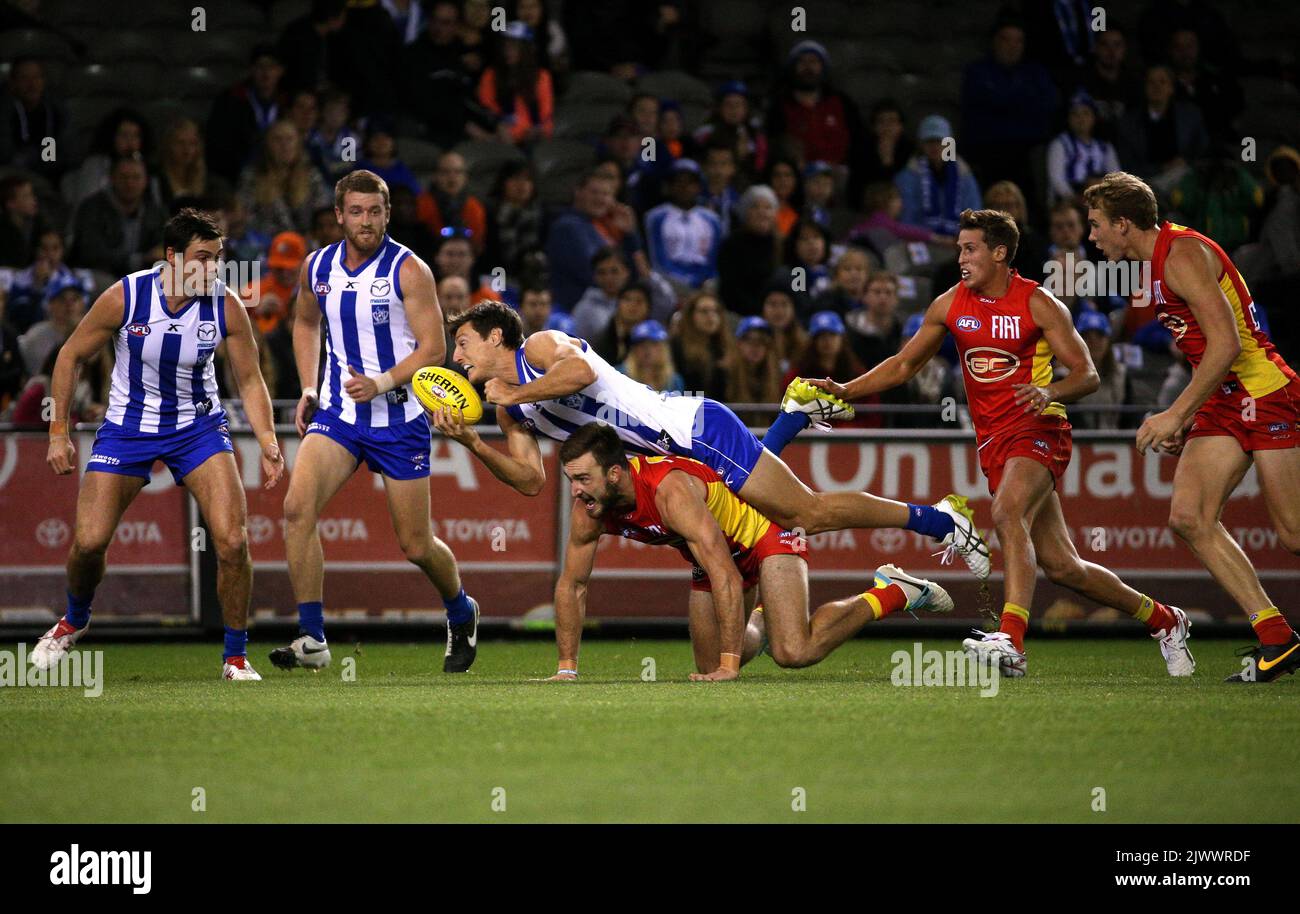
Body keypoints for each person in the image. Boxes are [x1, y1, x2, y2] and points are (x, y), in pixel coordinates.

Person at [809, 207, 1194, 678]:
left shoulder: (1039, 303)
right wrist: (848, 390)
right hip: (994, 442)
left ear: (999, 252)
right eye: (958, 249)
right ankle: (1166, 620)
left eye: (970, 249)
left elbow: (1088, 373)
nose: (961, 258)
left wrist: (1050, 391)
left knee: (1007, 513)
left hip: (1039, 428)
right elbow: (904, 365)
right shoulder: (950, 303)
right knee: (1063, 567)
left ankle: (1010, 641)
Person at [431, 300, 989, 577]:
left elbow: (580, 375)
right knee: (764, 520)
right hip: (673, 457)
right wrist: (474, 444)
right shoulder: (512, 416)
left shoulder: (538, 350)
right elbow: (531, 481)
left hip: (694, 429)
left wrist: (513, 397)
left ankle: (942, 520)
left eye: (463, 345)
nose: (457, 359)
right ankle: (793, 415)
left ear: (497, 337)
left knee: (806, 514)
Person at [33, 209, 285, 680]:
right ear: (172, 258)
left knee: (232, 541)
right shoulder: (125, 296)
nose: (214, 268)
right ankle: (75, 618)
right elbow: (70, 356)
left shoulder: (225, 304)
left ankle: (235, 657)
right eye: (203, 258)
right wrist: (58, 432)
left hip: (199, 428)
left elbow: (249, 379)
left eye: (218, 258)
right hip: (128, 429)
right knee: (89, 543)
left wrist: (268, 439)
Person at [1084, 171, 1300, 682]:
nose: (1091, 237)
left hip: (1264, 393)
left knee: (1293, 534)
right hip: (1227, 400)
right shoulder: (1158, 263)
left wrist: (1177, 412)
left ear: (1123, 223)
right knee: (1188, 517)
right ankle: (1277, 638)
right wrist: (1191, 409)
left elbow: (1226, 344)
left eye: (1096, 226)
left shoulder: (1179, 255)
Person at [545, 423, 953, 681]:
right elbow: (573, 584)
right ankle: (764, 614)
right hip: (715, 558)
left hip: (766, 536)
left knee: (793, 651)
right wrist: (567, 668)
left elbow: (726, 575)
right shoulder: (591, 510)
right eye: (571, 480)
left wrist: (730, 666)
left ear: (614, 473)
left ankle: (894, 591)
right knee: (710, 665)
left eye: (583, 479)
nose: (576, 491)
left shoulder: (668, 490)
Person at [271, 169, 479, 673]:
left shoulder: (410, 270)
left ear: (388, 213)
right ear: (339, 215)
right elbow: (303, 321)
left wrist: (383, 382)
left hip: (399, 418)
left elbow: (435, 348)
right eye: (357, 212)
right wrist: (307, 386)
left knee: (415, 545)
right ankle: (314, 637)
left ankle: (461, 608)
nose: (367, 221)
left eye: (376, 211)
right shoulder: (317, 266)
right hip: (341, 416)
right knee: (298, 508)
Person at [68, 156, 166, 276]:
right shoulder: (92, 208)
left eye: (136, 177)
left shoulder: (154, 211)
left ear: (145, 181)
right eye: (124, 177)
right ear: (112, 178)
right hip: (99, 273)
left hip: (142, 275)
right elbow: (91, 254)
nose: (130, 183)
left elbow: (161, 246)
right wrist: (139, 259)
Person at [236, 120, 332, 238]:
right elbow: (245, 218)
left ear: (297, 144)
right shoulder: (252, 177)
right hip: (267, 246)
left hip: (307, 245)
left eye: (289, 139)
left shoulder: (312, 176)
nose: (284, 145)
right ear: (267, 144)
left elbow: (323, 215)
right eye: (278, 139)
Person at [895, 115, 982, 237]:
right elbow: (906, 216)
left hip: (958, 241)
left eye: (940, 141)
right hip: (920, 239)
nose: (935, 146)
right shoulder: (907, 177)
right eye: (929, 141)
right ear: (921, 144)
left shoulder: (964, 175)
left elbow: (974, 211)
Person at [643, 159, 723, 292]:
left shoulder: (712, 219)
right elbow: (657, 259)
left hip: (704, 282)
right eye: (679, 181)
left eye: (690, 182)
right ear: (669, 185)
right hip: (668, 283)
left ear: (698, 186)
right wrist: (680, 283)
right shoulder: (656, 217)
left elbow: (714, 259)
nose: (684, 187)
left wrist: (704, 281)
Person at [476, 20, 554, 146]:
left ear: (526, 49)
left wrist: (534, 130)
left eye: (514, 46)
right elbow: (488, 107)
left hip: (535, 136)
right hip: (501, 136)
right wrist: (501, 126)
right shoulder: (491, 74)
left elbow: (545, 113)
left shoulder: (542, 76)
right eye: (505, 46)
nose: (508, 51)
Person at [671, 291, 730, 400]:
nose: (711, 316)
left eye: (715, 311)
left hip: (719, 411)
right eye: (704, 311)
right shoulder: (676, 346)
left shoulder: (725, 348)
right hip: (687, 409)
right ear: (690, 316)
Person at [617, 319, 683, 394]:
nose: (647, 351)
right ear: (633, 350)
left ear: (663, 349)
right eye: (641, 345)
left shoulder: (674, 381)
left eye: (653, 344)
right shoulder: (619, 375)